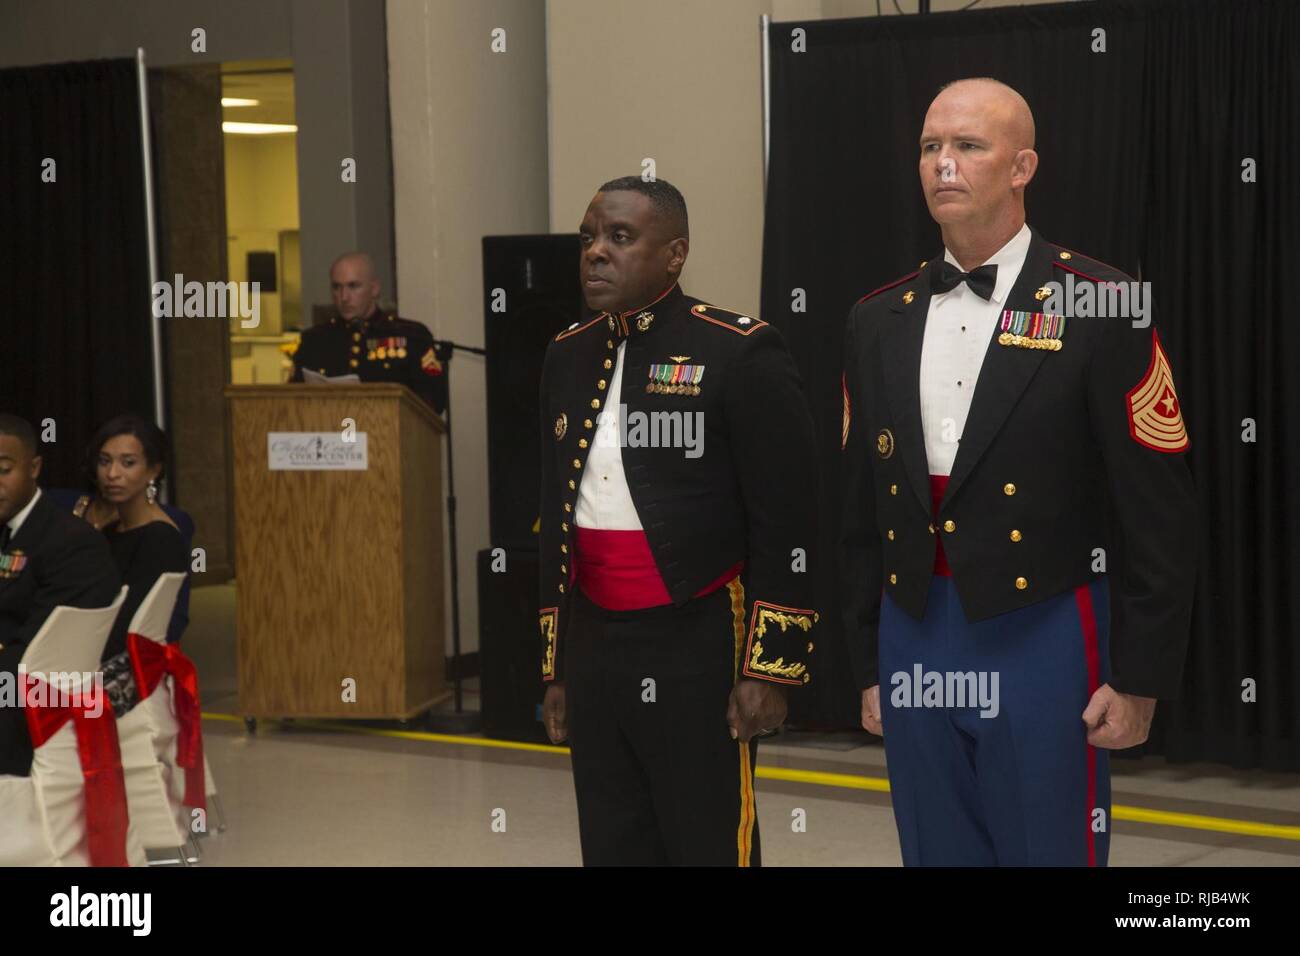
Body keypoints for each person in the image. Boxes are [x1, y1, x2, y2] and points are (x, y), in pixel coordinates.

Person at [840, 78, 1197, 866]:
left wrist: (1139, 677)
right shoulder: (876, 317)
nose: (944, 165)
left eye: (969, 147)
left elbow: (1159, 509)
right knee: (935, 845)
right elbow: (862, 511)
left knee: (1048, 846)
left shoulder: (1102, 303)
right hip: (913, 627)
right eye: (931, 147)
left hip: (1043, 627)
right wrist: (868, 661)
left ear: (1022, 166)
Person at [538, 177, 820, 866]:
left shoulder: (737, 349)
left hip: (698, 638)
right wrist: (557, 667)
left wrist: (772, 668)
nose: (596, 253)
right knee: (612, 837)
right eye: (588, 238)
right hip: (596, 641)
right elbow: (554, 519)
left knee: (707, 838)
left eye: (619, 238)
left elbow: (789, 521)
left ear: (675, 254)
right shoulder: (566, 353)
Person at [0, 414, 120, 775]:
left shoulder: (71, 542)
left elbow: (42, 652)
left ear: (34, 467)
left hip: (40, 691)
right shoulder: (9, 528)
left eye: (4, 469)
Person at [290, 251, 449, 413]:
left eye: (353, 286)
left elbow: (434, 401)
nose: (344, 297)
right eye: (337, 287)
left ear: (374, 289)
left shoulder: (411, 334)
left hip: (390, 431)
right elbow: (290, 398)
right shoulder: (314, 339)